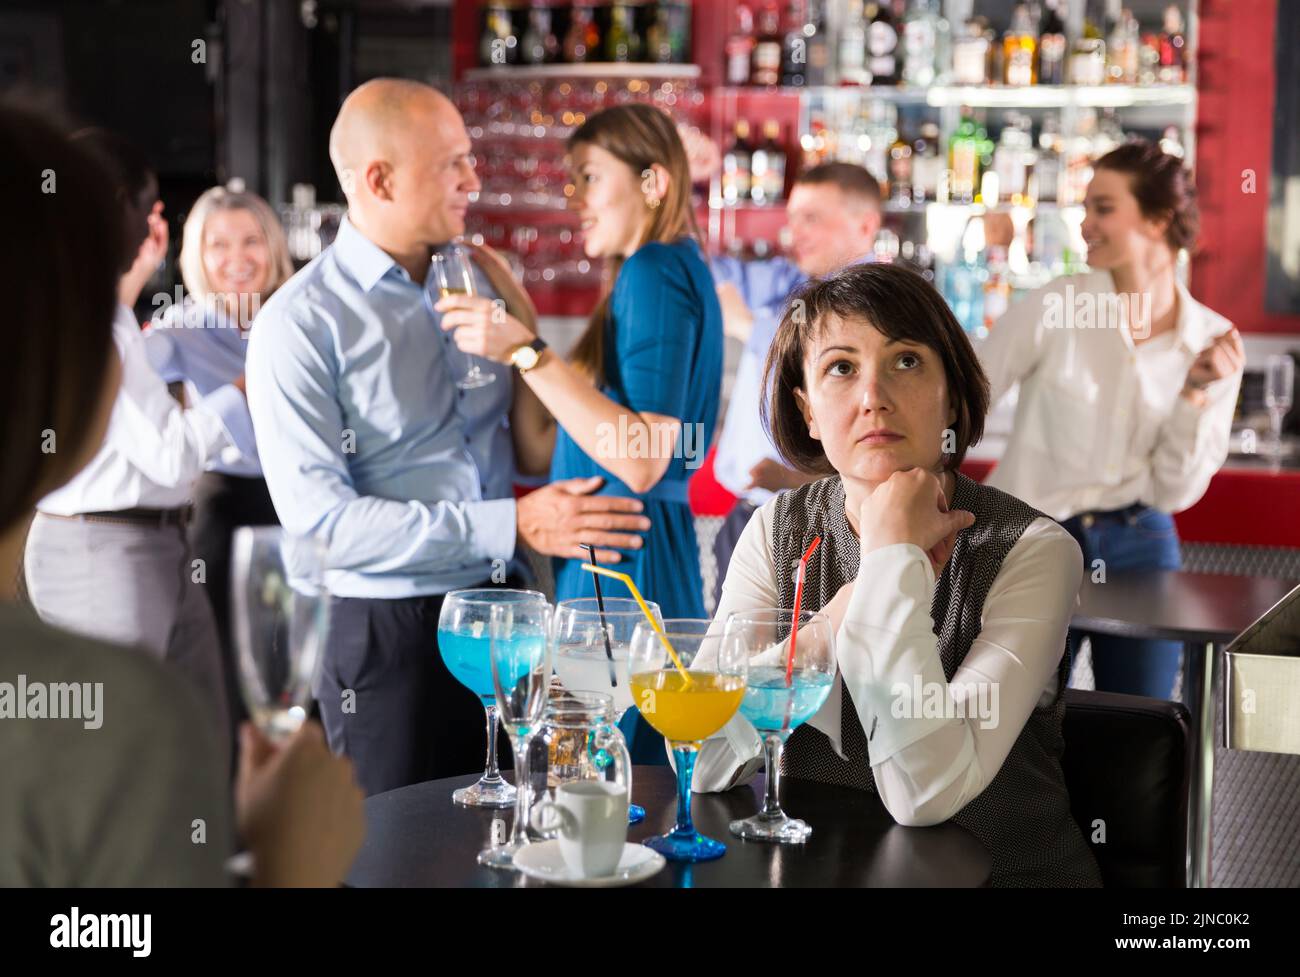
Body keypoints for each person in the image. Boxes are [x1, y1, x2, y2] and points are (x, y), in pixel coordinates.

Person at [245, 79, 651, 796]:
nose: (474, 178)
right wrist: (516, 522)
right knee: (392, 859)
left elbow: (526, 448)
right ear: (379, 179)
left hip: (509, 612)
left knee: (512, 842)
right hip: (390, 634)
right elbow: (322, 528)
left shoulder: (479, 284)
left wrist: (523, 319)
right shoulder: (298, 325)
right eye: (452, 163)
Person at [0, 96, 362, 887]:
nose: (238, 257)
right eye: (136, 211)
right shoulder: (142, 330)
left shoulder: (130, 321)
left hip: (179, 536)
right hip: (137, 536)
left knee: (210, 719)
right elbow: (170, 454)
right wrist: (288, 868)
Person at [696, 262, 1103, 887]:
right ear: (806, 410)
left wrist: (888, 556)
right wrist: (849, 607)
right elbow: (703, 757)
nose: (873, 396)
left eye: (906, 360)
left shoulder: (1034, 551)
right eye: (841, 367)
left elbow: (927, 792)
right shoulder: (774, 530)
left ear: (954, 397)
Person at [977, 141, 1244, 699]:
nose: (1084, 225)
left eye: (1102, 208)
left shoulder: (1211, 344)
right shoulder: (1056, 306)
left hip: (1140, 544)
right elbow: (967, 393)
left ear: (1157, 219)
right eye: (1085, 208)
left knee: (1145, 729)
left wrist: (1195, 394)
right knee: (1017, 727)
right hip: (1033, 538)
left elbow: (1173, 490)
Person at [442, 103, 722, 620]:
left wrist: (526, 351)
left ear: (653, 182)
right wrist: (522, 324)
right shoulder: (656, 274)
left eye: (590, 178)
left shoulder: (653, 269)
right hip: (625, 559)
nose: (578, 202)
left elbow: (641, 460)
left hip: (629, 569)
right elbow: (539, 449)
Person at [23, 128, 250, 754]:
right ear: (115, 201)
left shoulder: (99, 301)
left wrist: (139, 268)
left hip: (153, 544)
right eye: (148, 209)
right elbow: (173, 458)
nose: (157, 223)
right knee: (116, 749)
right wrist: (244, 386)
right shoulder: (96, 314)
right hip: (102, 549)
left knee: (193, 737)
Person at [145, 185, 294, 752]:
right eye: (219, 244)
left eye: (252, 240)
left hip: (301, 503)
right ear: (197, 256)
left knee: (297, 660)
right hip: (223, 508)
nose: (237, 258)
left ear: (273, 246)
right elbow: (124, 381)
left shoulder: (300, 313)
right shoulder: (177, 327)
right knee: (229, 667)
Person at [708, 162, 882, 607]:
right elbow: (706, 269)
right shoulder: (790, 283)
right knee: (735, 660)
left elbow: (882, 440)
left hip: (818, 525)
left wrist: (752, 326)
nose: (794, 233)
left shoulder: (880, 306)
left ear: (866, 225)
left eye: (812, 219)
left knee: (805, 662)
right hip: (752, 513)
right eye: (791, 219)